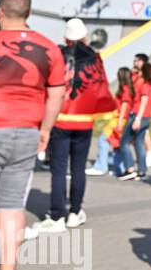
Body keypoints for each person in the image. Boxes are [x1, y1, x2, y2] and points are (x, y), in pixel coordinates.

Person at [0, 0, 65, 270]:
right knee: (11, 206)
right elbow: (57, 94)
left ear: (0, 12)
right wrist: (45, 130)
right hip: (27, 131)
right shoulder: (49, 48)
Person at [34, 19, 116, 233]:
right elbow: (101, 86)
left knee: (59, 169)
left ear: (65, 38)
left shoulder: (57, 55)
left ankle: (57, 215)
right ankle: (75, 212)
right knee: (78, 168)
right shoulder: (94, 57)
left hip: (60, 119)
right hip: (85, 121)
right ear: (85, 37)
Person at [89, 66, 133, 178]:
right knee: (117, 145)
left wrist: (119, 120)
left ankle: (101, 166)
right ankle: (119, 168)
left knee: (103, 140)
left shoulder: (125, 89)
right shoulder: (129, 88)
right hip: (121, 119)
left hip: (119, 119)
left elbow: (125, 104)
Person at [119, 59, 151, 181]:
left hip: (138, 115)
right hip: (146, 116)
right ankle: (142, 170)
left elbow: (143, 102)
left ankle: (129, 168)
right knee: (138, 143)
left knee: (124, 142)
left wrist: (137, 118)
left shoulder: (146, 86)